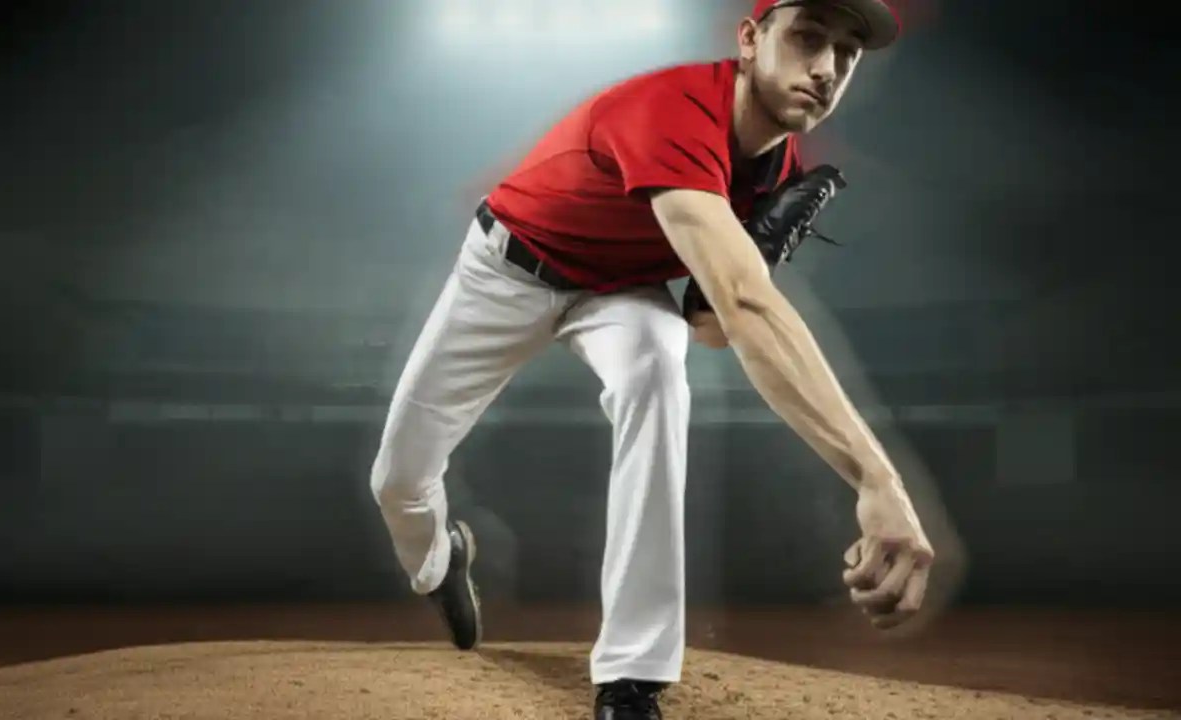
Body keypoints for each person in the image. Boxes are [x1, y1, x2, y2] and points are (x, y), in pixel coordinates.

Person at [368, 1, 935, 717]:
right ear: (752, 38)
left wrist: (754, 252)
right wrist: (876, 478)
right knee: (398, 480)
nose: (825, 67)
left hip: (619, 293)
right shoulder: (670, 110)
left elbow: (708, 324)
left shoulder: (773, 163)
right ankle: (438, 559)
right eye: (807, 38)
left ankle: (632, 675)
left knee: (659, 375)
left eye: (846, 54)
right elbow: (744, 306)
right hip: (505, 274)